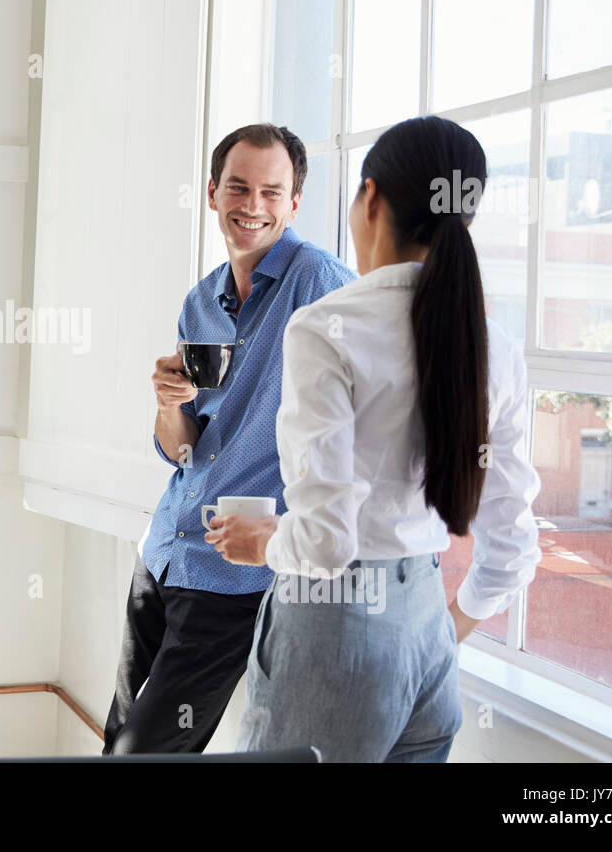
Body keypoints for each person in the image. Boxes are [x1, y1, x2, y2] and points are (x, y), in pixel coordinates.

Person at [206, 115, 542, 762]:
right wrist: (435, 627)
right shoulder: (494, 345)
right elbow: (511, 546)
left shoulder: (326, 328)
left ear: (371, 199)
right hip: (425, 631)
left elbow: (325, 542)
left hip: (334, 628)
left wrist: (264, 541)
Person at [102, 124, 355, 754]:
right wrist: (168, 404)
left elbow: (369, 417)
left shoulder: (322, 285)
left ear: (295, 202)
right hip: (165, 549)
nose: (253, 205)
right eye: (238, 187)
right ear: (213, 193)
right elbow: (185, 447)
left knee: (150, 750)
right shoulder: (201, 302)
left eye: (273, 191)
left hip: (233, 571)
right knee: (120, 736)